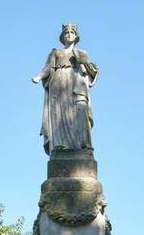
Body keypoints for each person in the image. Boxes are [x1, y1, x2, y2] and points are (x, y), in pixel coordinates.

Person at [31, 23, 98, 155]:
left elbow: (90, 72)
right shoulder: (56, 52)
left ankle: (83, 145)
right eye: (66, 33)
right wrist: (38, 77)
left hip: (76, 84)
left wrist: (84, 64)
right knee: (60, 115)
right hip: (59, 84)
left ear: (76, 36)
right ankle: (61, 145)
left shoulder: (82, 53)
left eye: (72, 32)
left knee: (80, 112)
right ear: (63, 36)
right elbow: (48, 68)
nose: (69, 35)